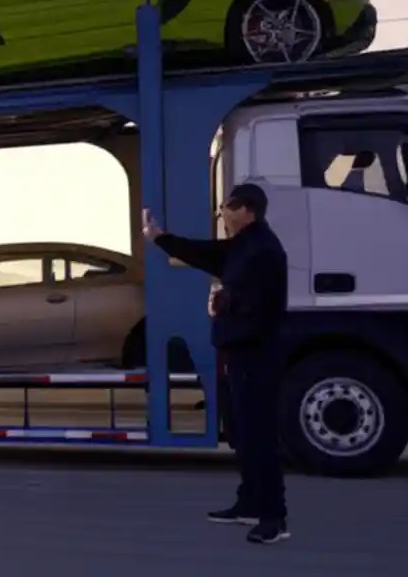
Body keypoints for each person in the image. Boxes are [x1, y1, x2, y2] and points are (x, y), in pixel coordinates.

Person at [141, 182, 291, 545]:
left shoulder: (264, 250)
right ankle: (249, 503)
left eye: (228, 206)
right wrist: (159, 238)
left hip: (256, 355)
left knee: (259, 437)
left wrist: (223, 304)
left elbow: (264, 308)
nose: (222, 212)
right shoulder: (242, 246)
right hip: (238, 353)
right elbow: (202, 253)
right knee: (242, 434)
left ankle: (274, 518)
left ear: (247, 211)